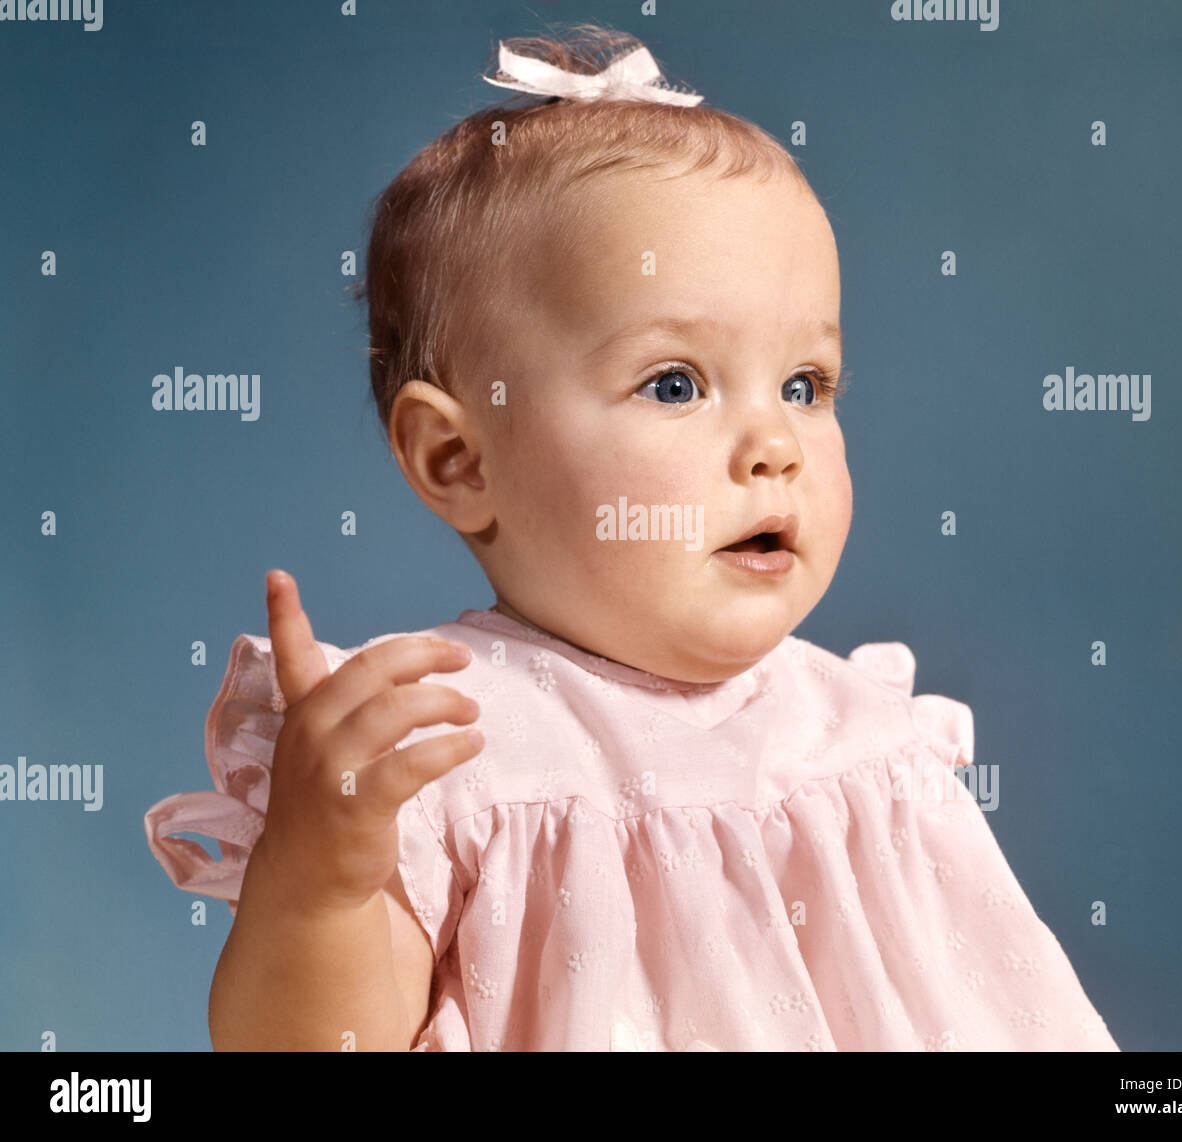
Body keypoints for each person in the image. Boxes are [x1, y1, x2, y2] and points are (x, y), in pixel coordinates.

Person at [144, 22, 1118, 1052]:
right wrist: (319, 879)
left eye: (805, 385)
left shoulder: (872, 744)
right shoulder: (445, 749)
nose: (773, 444)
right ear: (457, 460)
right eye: (674, 383)